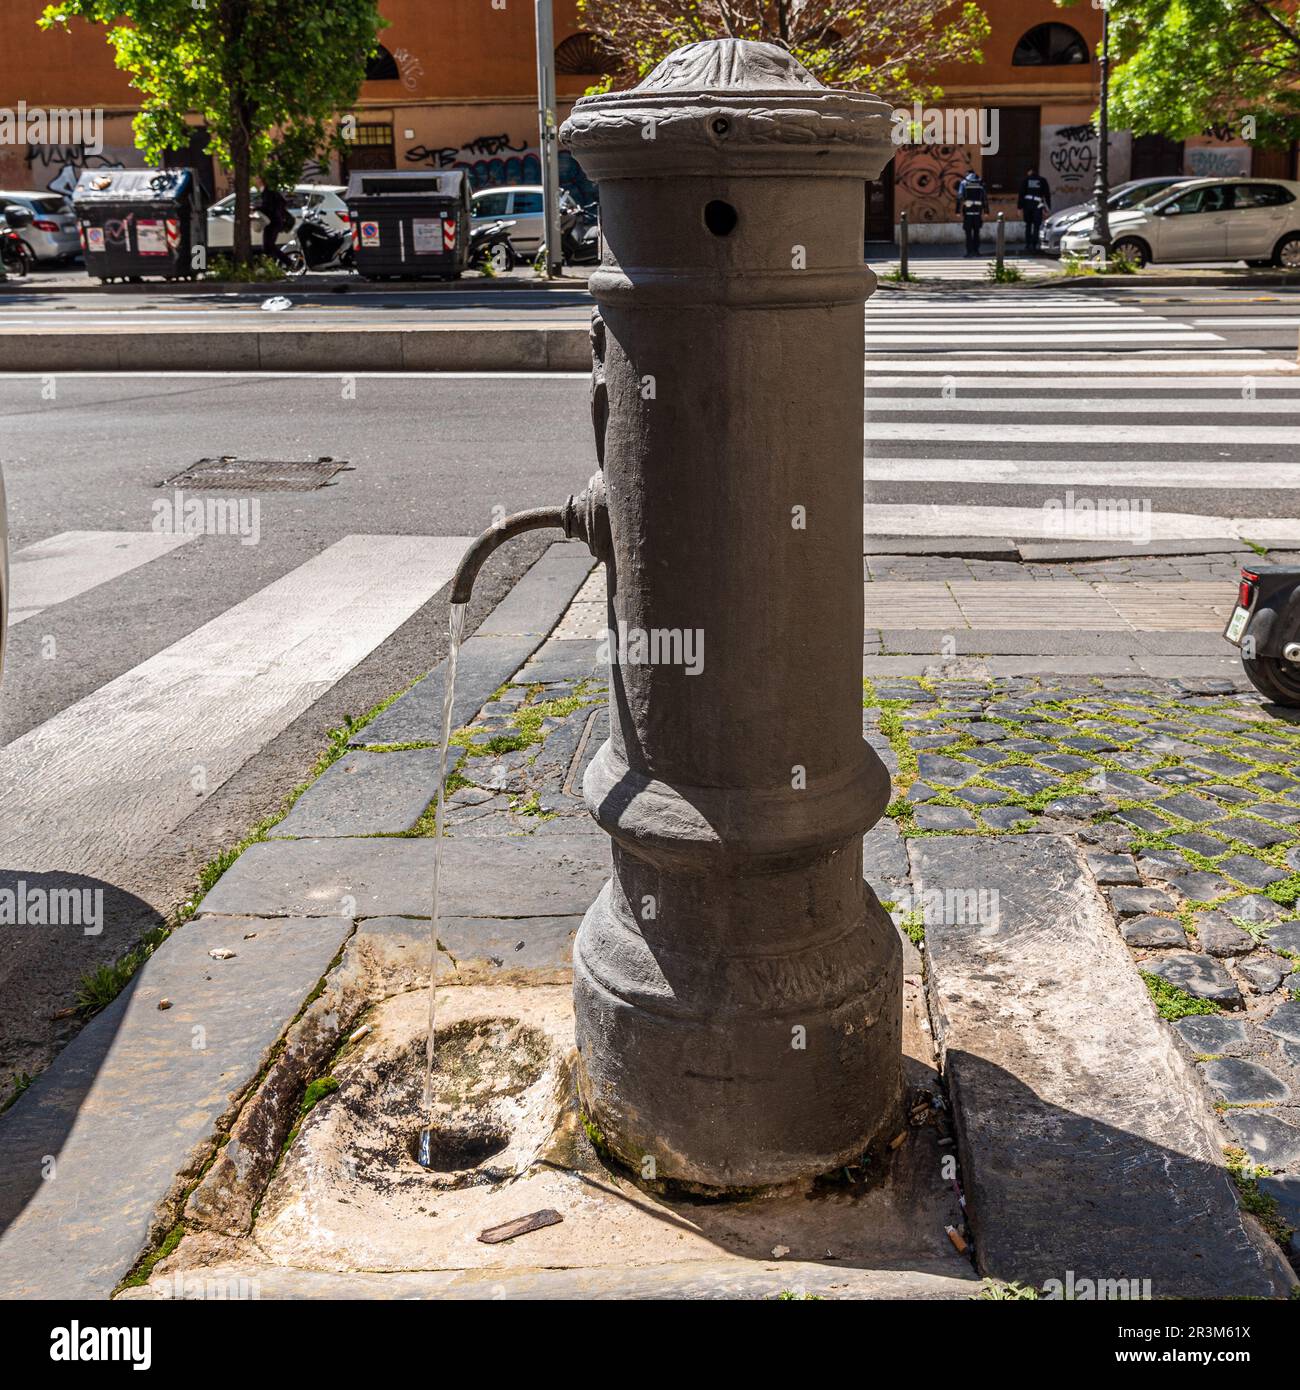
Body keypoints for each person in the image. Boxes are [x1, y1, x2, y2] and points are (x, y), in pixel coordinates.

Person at [1018, 167, 1052, 253]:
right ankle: (1034, 244)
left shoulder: (1026, 180)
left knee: (1028, 225)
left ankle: (1027, 244)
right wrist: (1048, 208)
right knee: (1036, 226)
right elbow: (1047, 195)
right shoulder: (1042, 180)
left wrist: (1019, 208)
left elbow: (1021, 194)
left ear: (1030, 171)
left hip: (1027, 205)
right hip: (1038, 205)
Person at [257, 182, 293, 266]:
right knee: (268, 246)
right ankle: (272, 265)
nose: (256, 181)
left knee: (269, 246)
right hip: (275, 222)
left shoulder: (268, 192)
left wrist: (256, 208)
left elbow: (267, 208)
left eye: (258, 179)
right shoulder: (271, 191)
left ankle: (289, 263)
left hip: (272, 222)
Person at [955, 167, 988, 257]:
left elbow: (959, 196)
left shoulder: (964, 183)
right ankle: (976, 251)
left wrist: (957, 211)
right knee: (977, 232)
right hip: (977, 212)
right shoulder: (980, 183)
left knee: (968, 233)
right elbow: (984, 198)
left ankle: (969, 252)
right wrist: (986, 211)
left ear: (967, 174)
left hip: (968, 212)